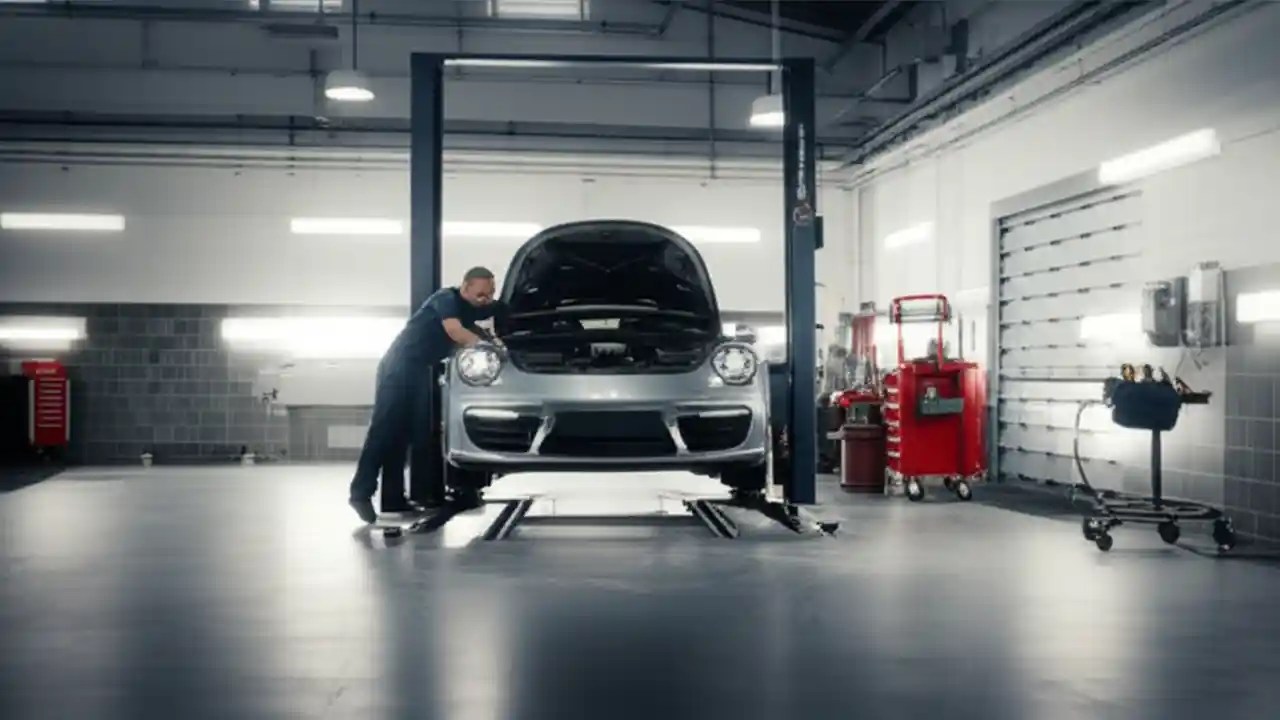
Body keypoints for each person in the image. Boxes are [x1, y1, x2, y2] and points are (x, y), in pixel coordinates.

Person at [348, 267, 502, 524]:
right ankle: (360, 493)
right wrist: (488, 346)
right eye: (481, 294)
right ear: (465, 287)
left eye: (491, 294)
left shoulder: (468, 309)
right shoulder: (447, 299)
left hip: (420, 369)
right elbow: (456, 332)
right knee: (384, 430)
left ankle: (394, 499)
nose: (485, 300)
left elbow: (485, 322)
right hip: (398, 366)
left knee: (407, 434)